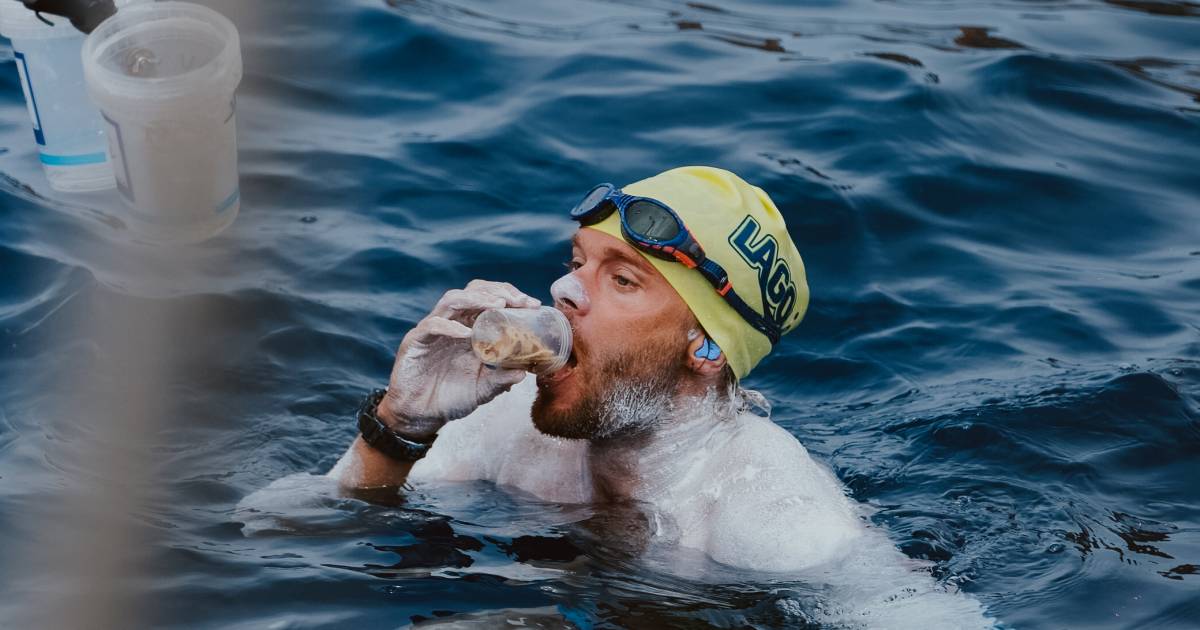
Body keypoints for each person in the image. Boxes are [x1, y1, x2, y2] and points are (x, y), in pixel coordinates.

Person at [330, 166, 860, 571]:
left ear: (706, 349)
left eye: (623, 280)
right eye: (577, 262)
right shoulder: (507, 418)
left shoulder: (778, 527)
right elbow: (281, 535)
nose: (564, 289)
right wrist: (400, 425)